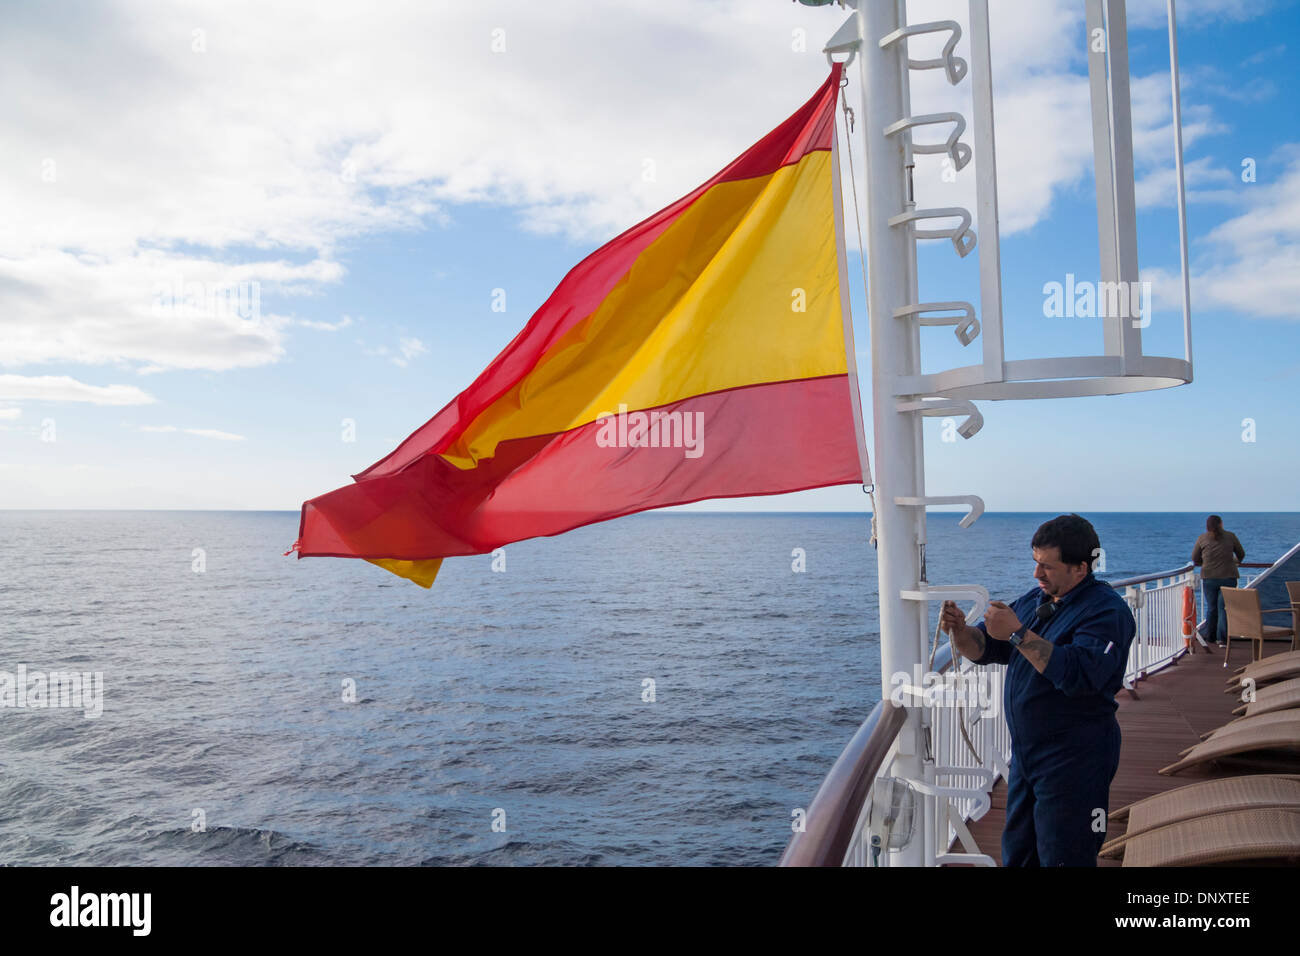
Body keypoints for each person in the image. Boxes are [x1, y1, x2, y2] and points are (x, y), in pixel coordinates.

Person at [940, 513, 1136, 867]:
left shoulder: (1107, 613)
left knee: (1066, 856)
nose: (1036, 574)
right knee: (1019, 854)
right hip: (1029, 756)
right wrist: (961, 632)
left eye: (1047, 566)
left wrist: (1018, 633)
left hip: (1076, 759)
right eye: (1035, 563)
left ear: (1080, 568)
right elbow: (988, 649)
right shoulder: (1036, 599)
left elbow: (1081, 674)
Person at [1192, 515, 1245, 646]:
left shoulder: (1202, 538)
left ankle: (1210, 637)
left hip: (1209, 577)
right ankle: (1222, 639)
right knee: (1223, 608)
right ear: (1221, 524)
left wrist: (1204, 562)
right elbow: (1241, 554)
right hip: (1228, 577)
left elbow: (1195, 558)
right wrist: (1234, 561)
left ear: (1207, 525)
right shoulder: (1231, 536)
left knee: (1212, 608)